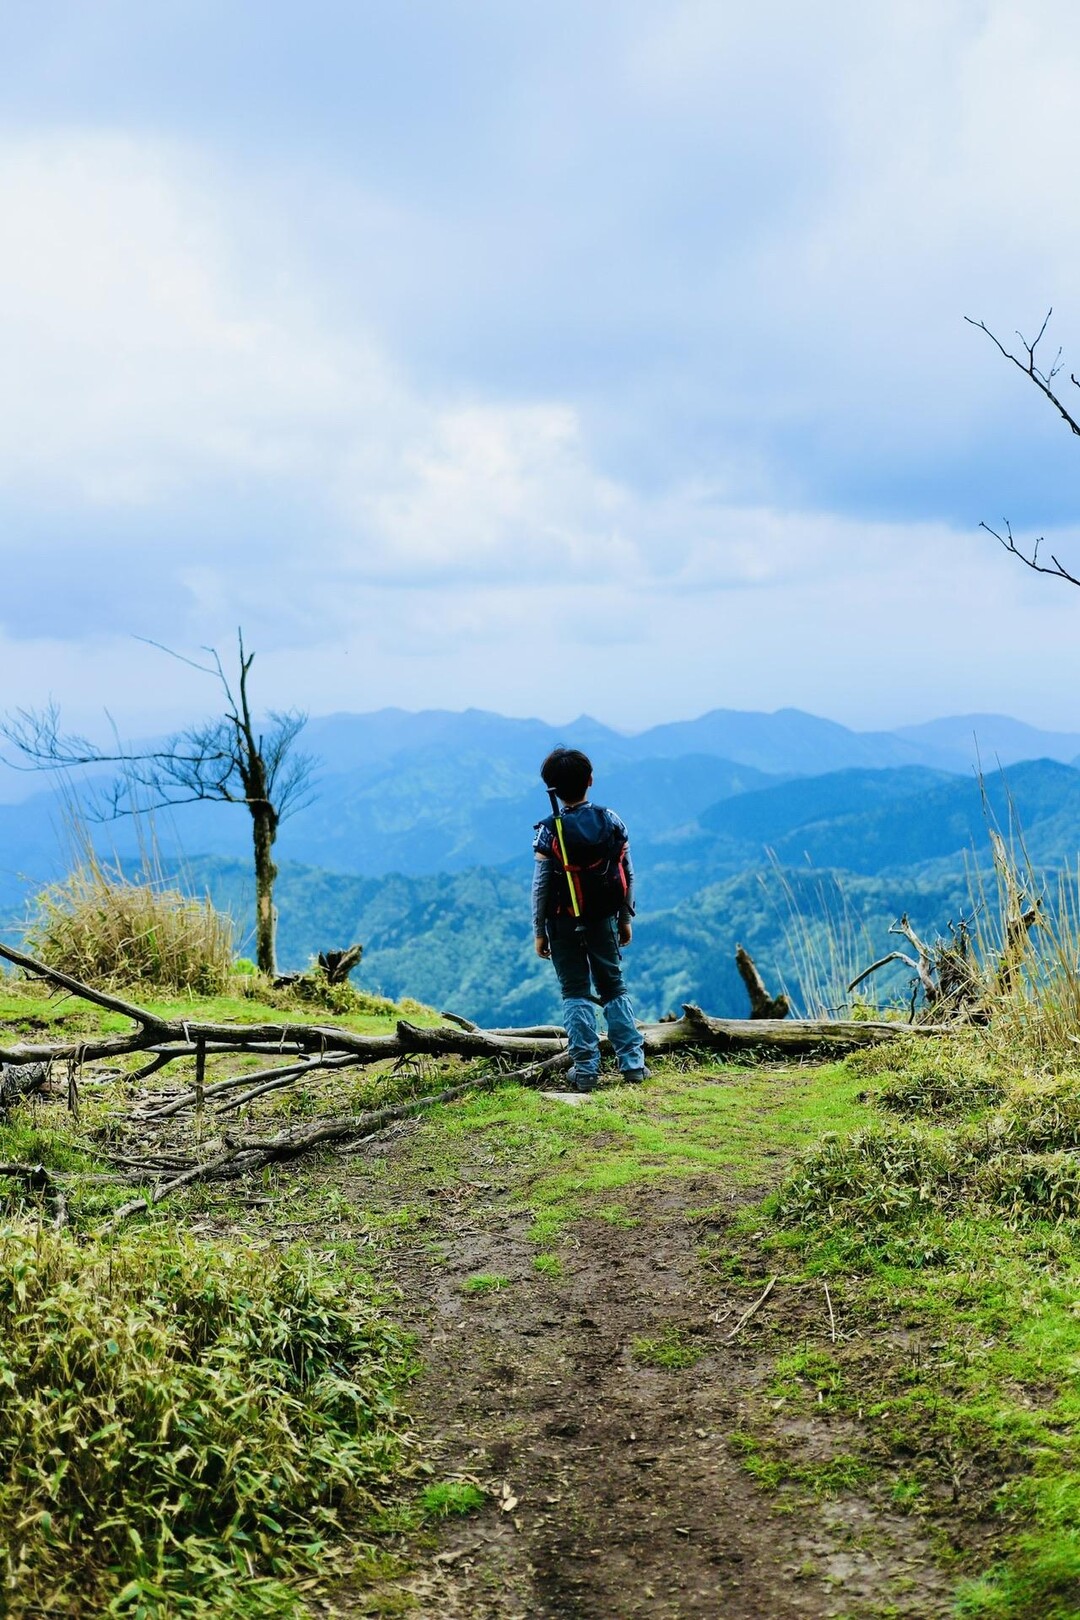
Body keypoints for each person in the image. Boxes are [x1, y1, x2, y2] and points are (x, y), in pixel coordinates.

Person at [532, 746, 650, 1092]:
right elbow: (626, 871)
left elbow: (540, 887)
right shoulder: (611, 820)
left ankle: (585, 1069)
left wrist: (539, 930)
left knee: (575, 992)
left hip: (561, 921)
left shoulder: (548, 831)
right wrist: (625, 917)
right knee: (614, 987)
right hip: (603, 919)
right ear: (590, 781)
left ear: (551, 788)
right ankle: (632, 1064)